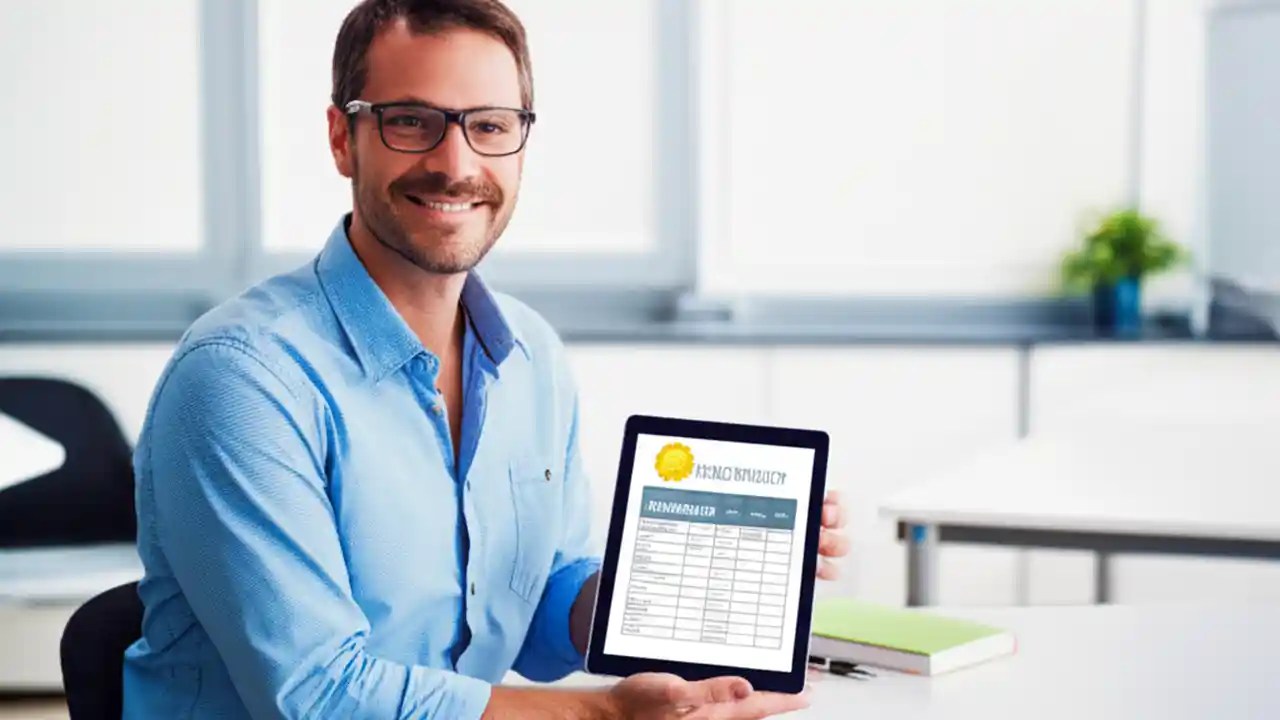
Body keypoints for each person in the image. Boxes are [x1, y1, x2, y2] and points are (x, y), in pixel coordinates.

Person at [122, 1, 850, 717]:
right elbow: (320, 696)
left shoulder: (530, 356)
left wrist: (679, 590)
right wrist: (607, 716)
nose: (456, 164)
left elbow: (539, 605)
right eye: (412, 121)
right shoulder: (242, 378)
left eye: (490, 126)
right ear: (344, 138)